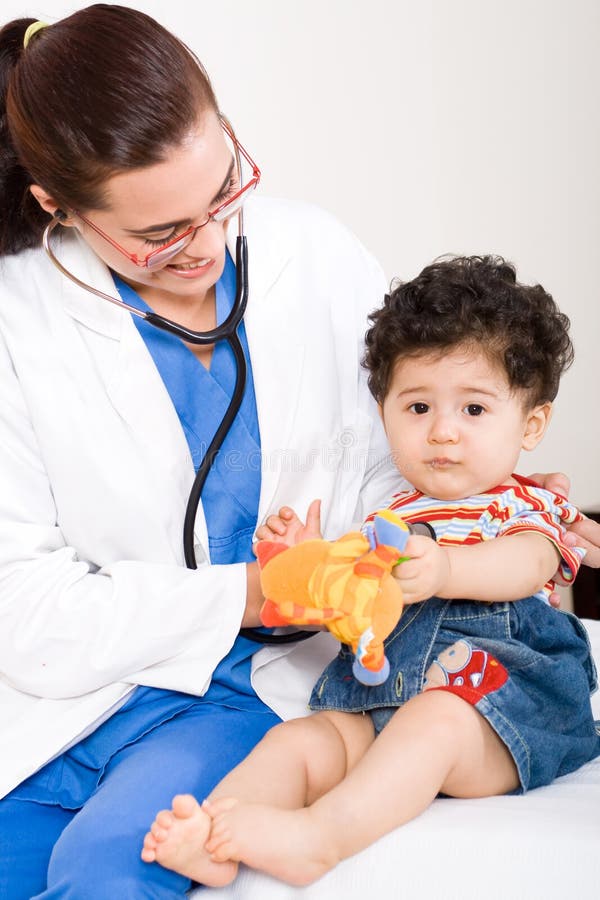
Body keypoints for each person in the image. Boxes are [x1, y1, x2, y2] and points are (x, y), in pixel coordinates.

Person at [0, 6, 597, 897]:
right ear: (58, 206)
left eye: (224, 192)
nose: (205, 245)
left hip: (255, 685)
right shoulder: (18, 319)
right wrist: (258, 586)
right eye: (159, 234)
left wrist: (486, 494)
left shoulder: (312, 253)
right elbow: (23, 601)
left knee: (106, 875)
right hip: (76, 691)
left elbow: (408, 445)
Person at [141, 256, 600, 888]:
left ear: (532, 424)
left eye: (473, 410)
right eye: (417, 408)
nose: (442, 432)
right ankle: (218, 831)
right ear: (384, 411)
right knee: (304, 741)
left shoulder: (529, 504)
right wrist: (308, 560)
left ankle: (319, 839)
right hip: (379, 702)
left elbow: (525, 566)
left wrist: (445, 567)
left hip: (500, 708)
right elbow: (347, 603)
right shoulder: (386, 514)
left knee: (436, 719)